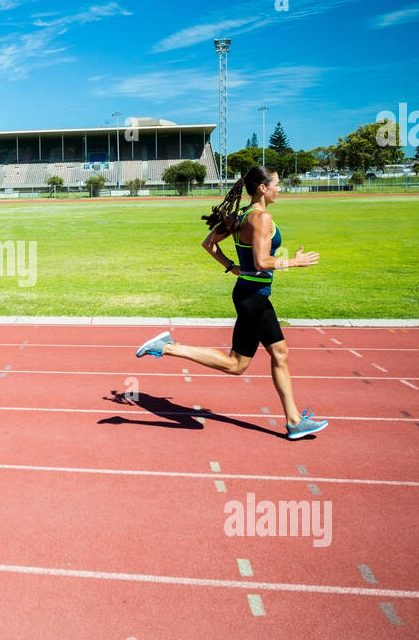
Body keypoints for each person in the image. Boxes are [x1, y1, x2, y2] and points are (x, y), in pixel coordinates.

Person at [135, 166, 328, 439]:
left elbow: (208, 244)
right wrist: (294, 261)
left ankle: (294, 420)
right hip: (253, 297)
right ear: (262, 187)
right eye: (277, 184)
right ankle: (167, 346)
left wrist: (231, 267)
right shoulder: (260, 217)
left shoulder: (242, 217)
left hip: (253, 294)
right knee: (236, 365)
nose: (280, 189)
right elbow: (262, 262)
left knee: (281, 354)